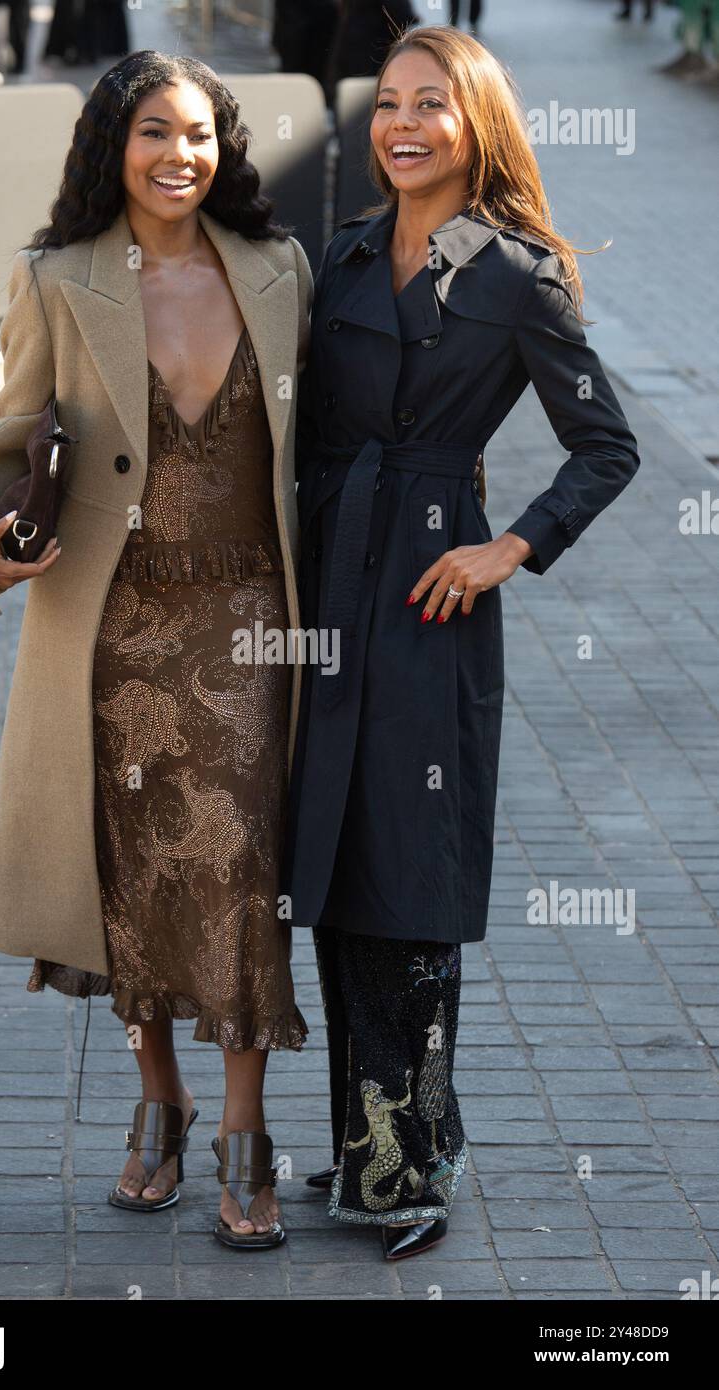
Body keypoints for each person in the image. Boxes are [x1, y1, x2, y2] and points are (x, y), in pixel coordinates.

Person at [0, 49, 314, 1251]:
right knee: (137, 876)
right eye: (154, 133)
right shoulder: (55, 278)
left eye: (198, 134)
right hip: (113, 625)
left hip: (250, 618)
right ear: (113, 144)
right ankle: (160, 1104)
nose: (178, 156)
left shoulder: (280, 269)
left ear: (225, 146)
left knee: (242, 873)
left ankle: (246, 1137)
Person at [284, 24, 639, 1261]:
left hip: (428, 606)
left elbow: (607, 445)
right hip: (326, 589)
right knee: (329, 865)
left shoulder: (513, 272)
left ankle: (411, 1163)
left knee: (409, 868)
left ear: (475, 119)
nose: (401, 125)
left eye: (430, 104)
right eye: (386, 103)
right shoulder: (335, 256)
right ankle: (362, 1145)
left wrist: (513, 546)